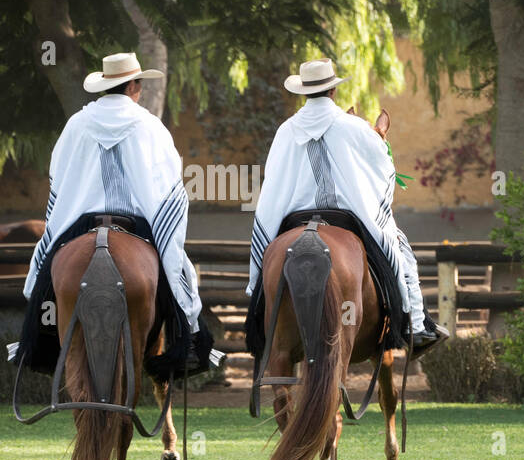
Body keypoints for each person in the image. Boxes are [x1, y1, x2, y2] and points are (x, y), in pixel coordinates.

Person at [17, 51, 211, 375]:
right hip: (135, 225)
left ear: (106, 85)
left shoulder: (76, 125)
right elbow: (169, 186)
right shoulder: (150, 125)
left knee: (43, 274)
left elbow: (59, 181)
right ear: (134, 85)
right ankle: (187, 340)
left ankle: (36, 344)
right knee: (178, 275)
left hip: (79, 224)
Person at [248, 58, 444, 355]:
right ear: (333, 92)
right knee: (400, 248)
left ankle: (257, 311)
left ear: (304, 93)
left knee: (265, 257)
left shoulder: (285, 131)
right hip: (347, 218)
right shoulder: (355, 128)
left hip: (293, 219)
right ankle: (415, 323)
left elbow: (274, 181)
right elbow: (384, 169)